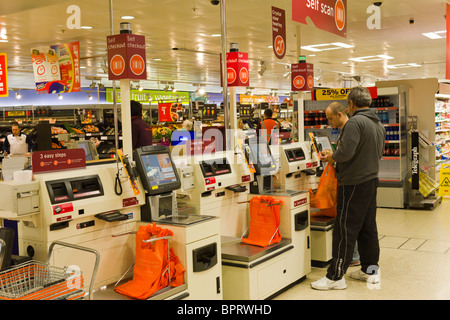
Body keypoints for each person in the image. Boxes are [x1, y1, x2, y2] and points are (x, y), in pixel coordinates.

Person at [311, 87, 385, 290]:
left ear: (351, 104)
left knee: (344, 229)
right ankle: (370, 270)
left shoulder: (354, 123)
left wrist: (331, 157)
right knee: (368, 227)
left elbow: (345, 153)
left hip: (353, 184)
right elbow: (377, 152)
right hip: (371, 181)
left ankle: (335, 276)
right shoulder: (378, 124)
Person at [325, 102, 360, 267]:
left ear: (340, 114)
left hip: (350, 181)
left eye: (331, 119)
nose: (329, 122)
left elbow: (345, 154)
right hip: (355, 180)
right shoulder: (347, 129)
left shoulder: (350, 128)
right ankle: (355, 255)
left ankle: (351, 257)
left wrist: (333, 157)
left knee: (346, 221)